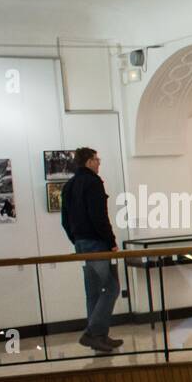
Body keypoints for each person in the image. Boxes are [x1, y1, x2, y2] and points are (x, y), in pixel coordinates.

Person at [60, 147, 122, 353]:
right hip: (97, 243)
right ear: (88, 162)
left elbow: (65, 221)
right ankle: (92, 333)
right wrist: (111, 241)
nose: (99, 162)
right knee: (111, 288)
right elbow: (99, 217)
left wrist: (76, 240)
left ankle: (100, 337)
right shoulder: (93, 182)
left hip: (81, 243)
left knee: (93, 292)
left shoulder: (69, 185)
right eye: (96, 159)